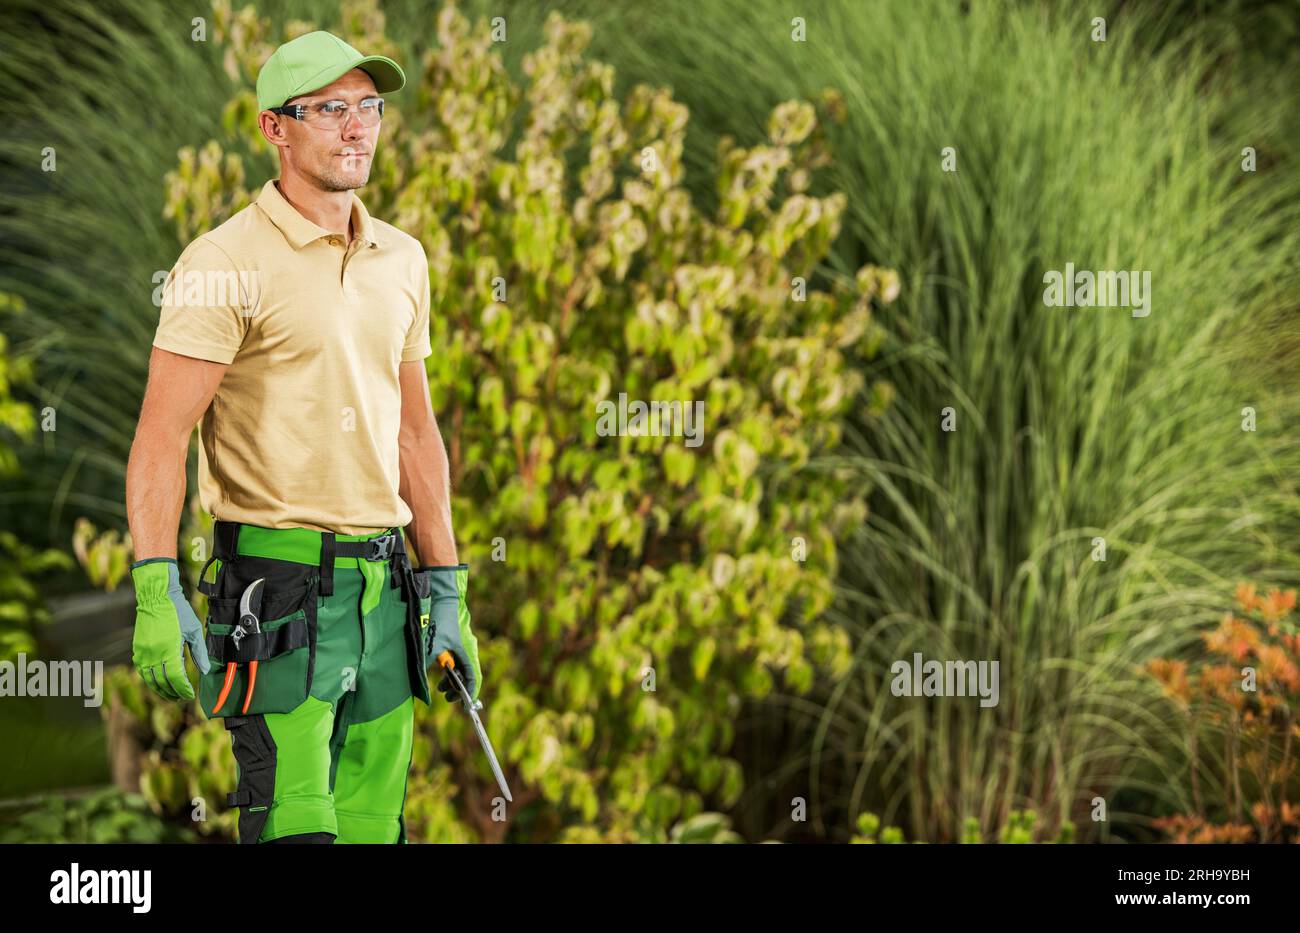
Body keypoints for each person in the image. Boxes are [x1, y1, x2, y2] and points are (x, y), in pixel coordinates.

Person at [124, 30, 481, 844]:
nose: (356, 127)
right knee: (295, 828)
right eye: (329, 109)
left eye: (369, 107)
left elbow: (415, 435)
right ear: (274, 128)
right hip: (275, 597)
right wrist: (154, 582)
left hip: (383, 594)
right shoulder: (221, 263)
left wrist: (447, 587)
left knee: (371, 829)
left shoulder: (403, 259)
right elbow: (160, 437)